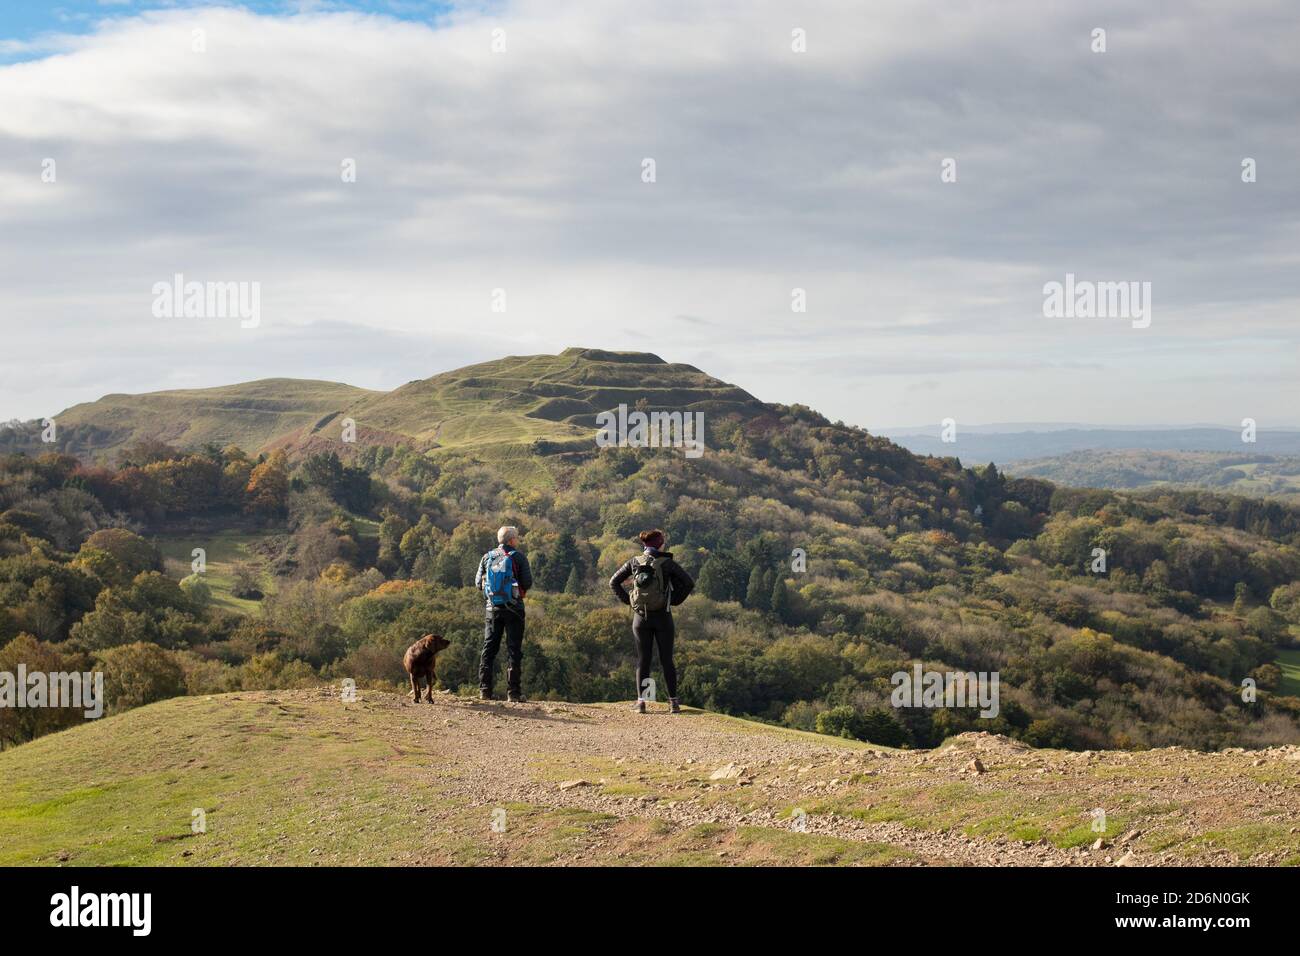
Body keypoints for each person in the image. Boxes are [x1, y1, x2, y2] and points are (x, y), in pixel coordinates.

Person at [609, 528, 694, 713]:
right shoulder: (667, 563)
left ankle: (642, 702)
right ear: (660, 544)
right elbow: (689, 583)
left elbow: (613, 582)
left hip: (641, 617)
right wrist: (674, 600)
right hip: (663, 616)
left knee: (643, 659)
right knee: (666, 660)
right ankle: (673, 703)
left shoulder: (634, 562)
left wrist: (630, 602)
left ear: (644, 545)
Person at [475, 525, 533, 702]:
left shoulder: (487, 557)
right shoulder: (518, 557)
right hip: (514, 609)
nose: (518, 540)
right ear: (511, 540)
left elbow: (478, 583)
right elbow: (527, 583)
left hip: (492, 609)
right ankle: (513, 693)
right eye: (516, 538)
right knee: (514, 650)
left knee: (489, 648)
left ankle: (485, 690)